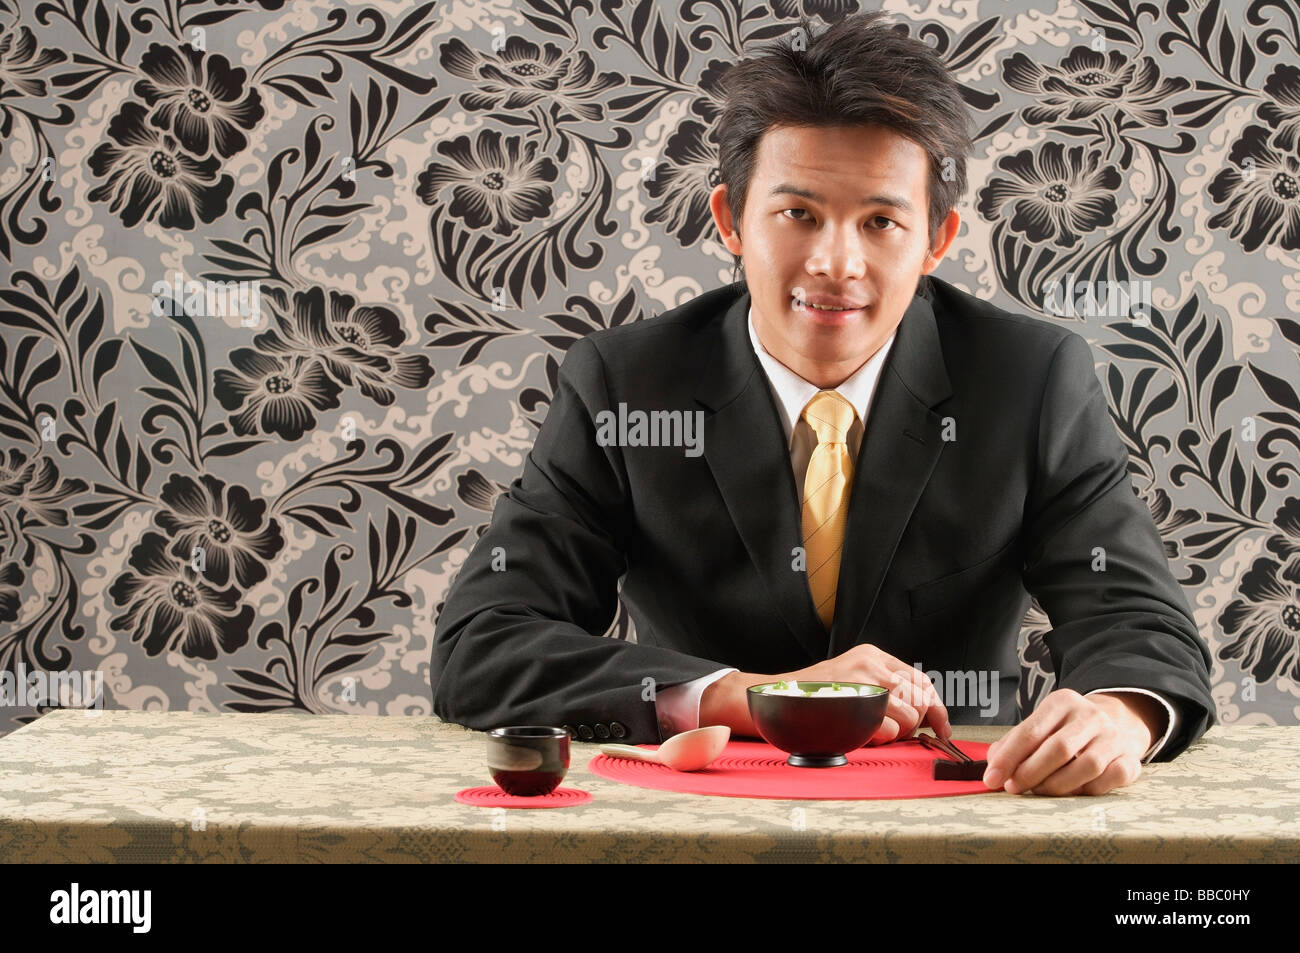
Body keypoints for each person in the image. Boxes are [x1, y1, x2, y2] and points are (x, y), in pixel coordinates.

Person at [431, 11, 1216, 796]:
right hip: (693, 824)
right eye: (798, 214)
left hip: (960, 818)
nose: (836, 263)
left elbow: (1140, 623)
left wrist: (1118, 716)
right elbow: (483, 644)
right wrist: (747, 694)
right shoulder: (626, 383)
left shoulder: (1029, 379)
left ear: (935, 240)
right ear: (730, 219)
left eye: (880, 222)